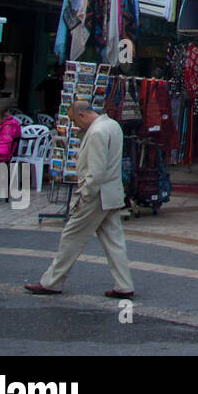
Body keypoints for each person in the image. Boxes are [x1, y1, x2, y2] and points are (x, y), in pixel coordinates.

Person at [24, 100, 133, 298]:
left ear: (82, 114)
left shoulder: (97, 132)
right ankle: (124, 285)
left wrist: (85, 195)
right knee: (114, 241)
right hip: (111, 194)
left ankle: (52, 282)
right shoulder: (112, 125)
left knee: (71, 237)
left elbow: (96, 171)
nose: (75, 125)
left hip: (96, 195)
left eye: (75, 120)